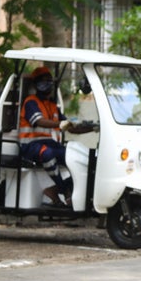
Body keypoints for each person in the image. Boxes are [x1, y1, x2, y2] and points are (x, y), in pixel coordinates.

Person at [19, 66, 93, 208]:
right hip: (30, 145)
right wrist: (61, 123)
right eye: (43, 81)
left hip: (48, 143)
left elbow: (70, 128)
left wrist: (92, 128)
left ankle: (55, 190)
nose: (47, 84)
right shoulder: (31, 102)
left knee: (75, 157)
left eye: (49, 81)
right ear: (36, 84)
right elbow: (39, 121)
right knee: (47, 154)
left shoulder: (52, 105)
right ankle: (64, 191)